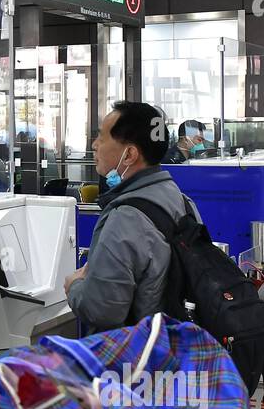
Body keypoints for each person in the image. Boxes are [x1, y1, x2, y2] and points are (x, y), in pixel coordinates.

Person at [64, 101, 200, 334]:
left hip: (131, 358)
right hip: (169, 345)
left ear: (129, 154)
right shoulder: (182, 200)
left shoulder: (125, 218)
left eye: (102, 137)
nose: (95, 145)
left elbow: (102, 310)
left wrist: (75, 286)